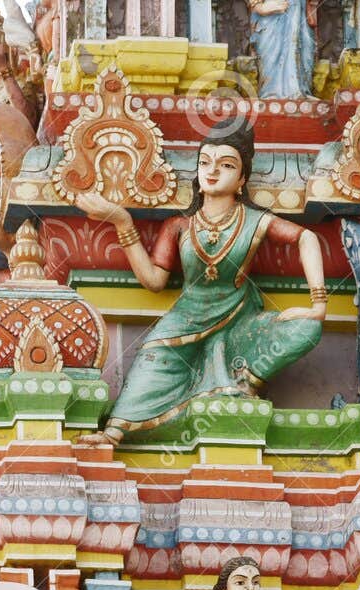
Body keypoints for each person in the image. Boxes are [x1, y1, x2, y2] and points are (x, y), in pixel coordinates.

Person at [74, 120, 327, 443]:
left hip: (239, 325)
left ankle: (236, 385)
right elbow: (153, 281)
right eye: (205, 162)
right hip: (183, 324)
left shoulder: (255, 221)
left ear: (241, 179)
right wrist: (121, 221)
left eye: (226, 165)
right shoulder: (180, 226)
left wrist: (318, 306)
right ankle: (113, 435)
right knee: (149, 363)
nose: (212, 171)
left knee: (307, 329)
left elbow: (307, 238)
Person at [248, 0, 317, 99]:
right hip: (271, 14)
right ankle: (271, 91)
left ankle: (300, 89)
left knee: (301, 48)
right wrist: (260, 7)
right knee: (271, 56)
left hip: (299, 13)